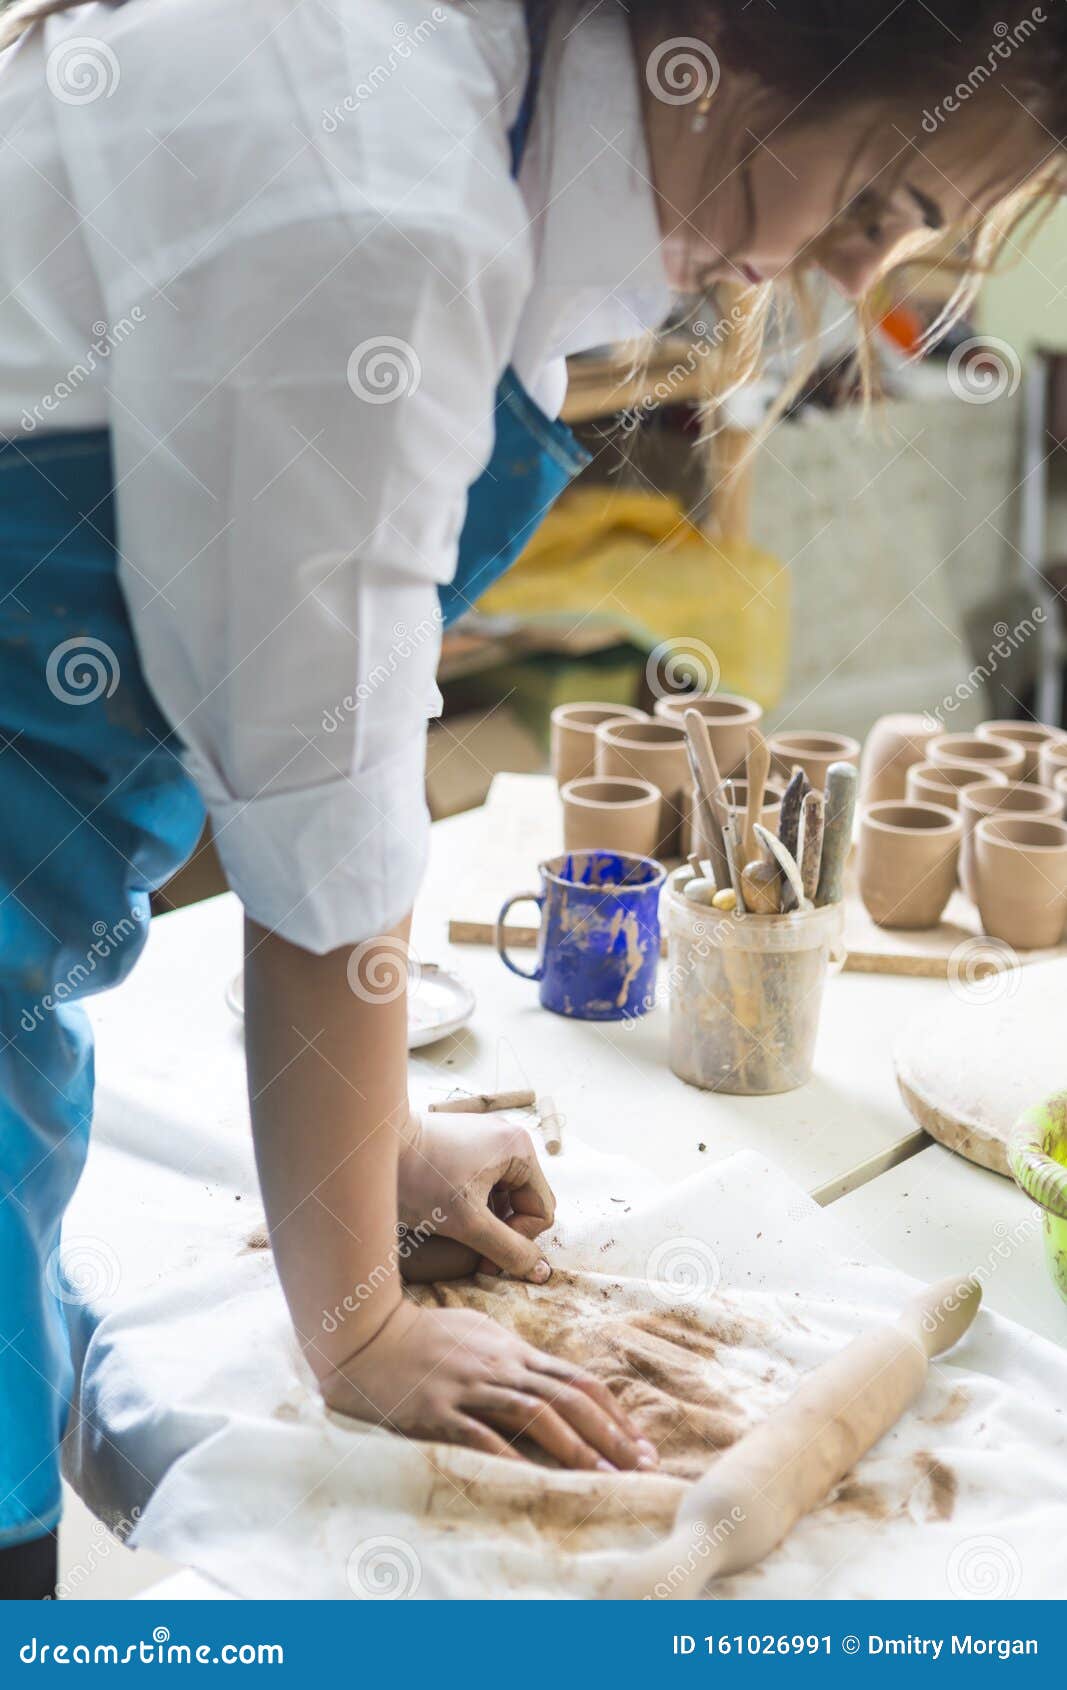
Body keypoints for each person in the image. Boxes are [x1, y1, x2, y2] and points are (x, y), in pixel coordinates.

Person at [0, 0, 1061, 1598]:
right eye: (876, 206)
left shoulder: (470, 111)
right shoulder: (383, 190)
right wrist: (355, 1317)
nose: (857, 278)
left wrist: (371, 1140)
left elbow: (319, 688)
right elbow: (326, 804)